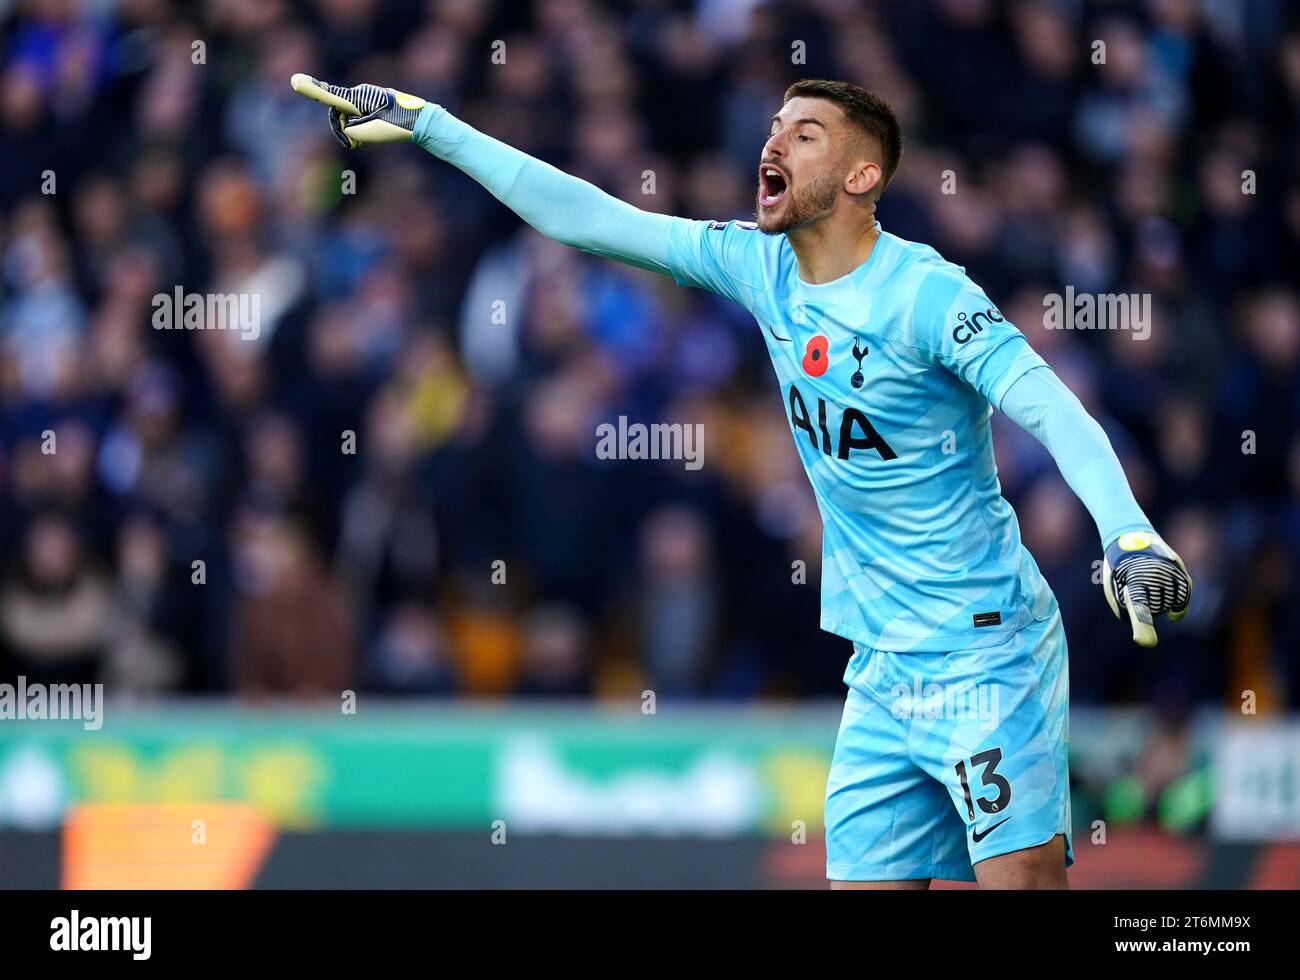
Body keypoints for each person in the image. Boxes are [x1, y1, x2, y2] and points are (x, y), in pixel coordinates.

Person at [289, 74, 1193, 889]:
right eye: (773, 126)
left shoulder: (927, 296)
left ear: (861, 176)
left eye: (804, 134)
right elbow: (589, 217)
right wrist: (434, 125)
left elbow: (1050, 406)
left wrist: (1128, 532)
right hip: (878, 667)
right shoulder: (759, 267)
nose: (773, 142)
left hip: (984, 649)